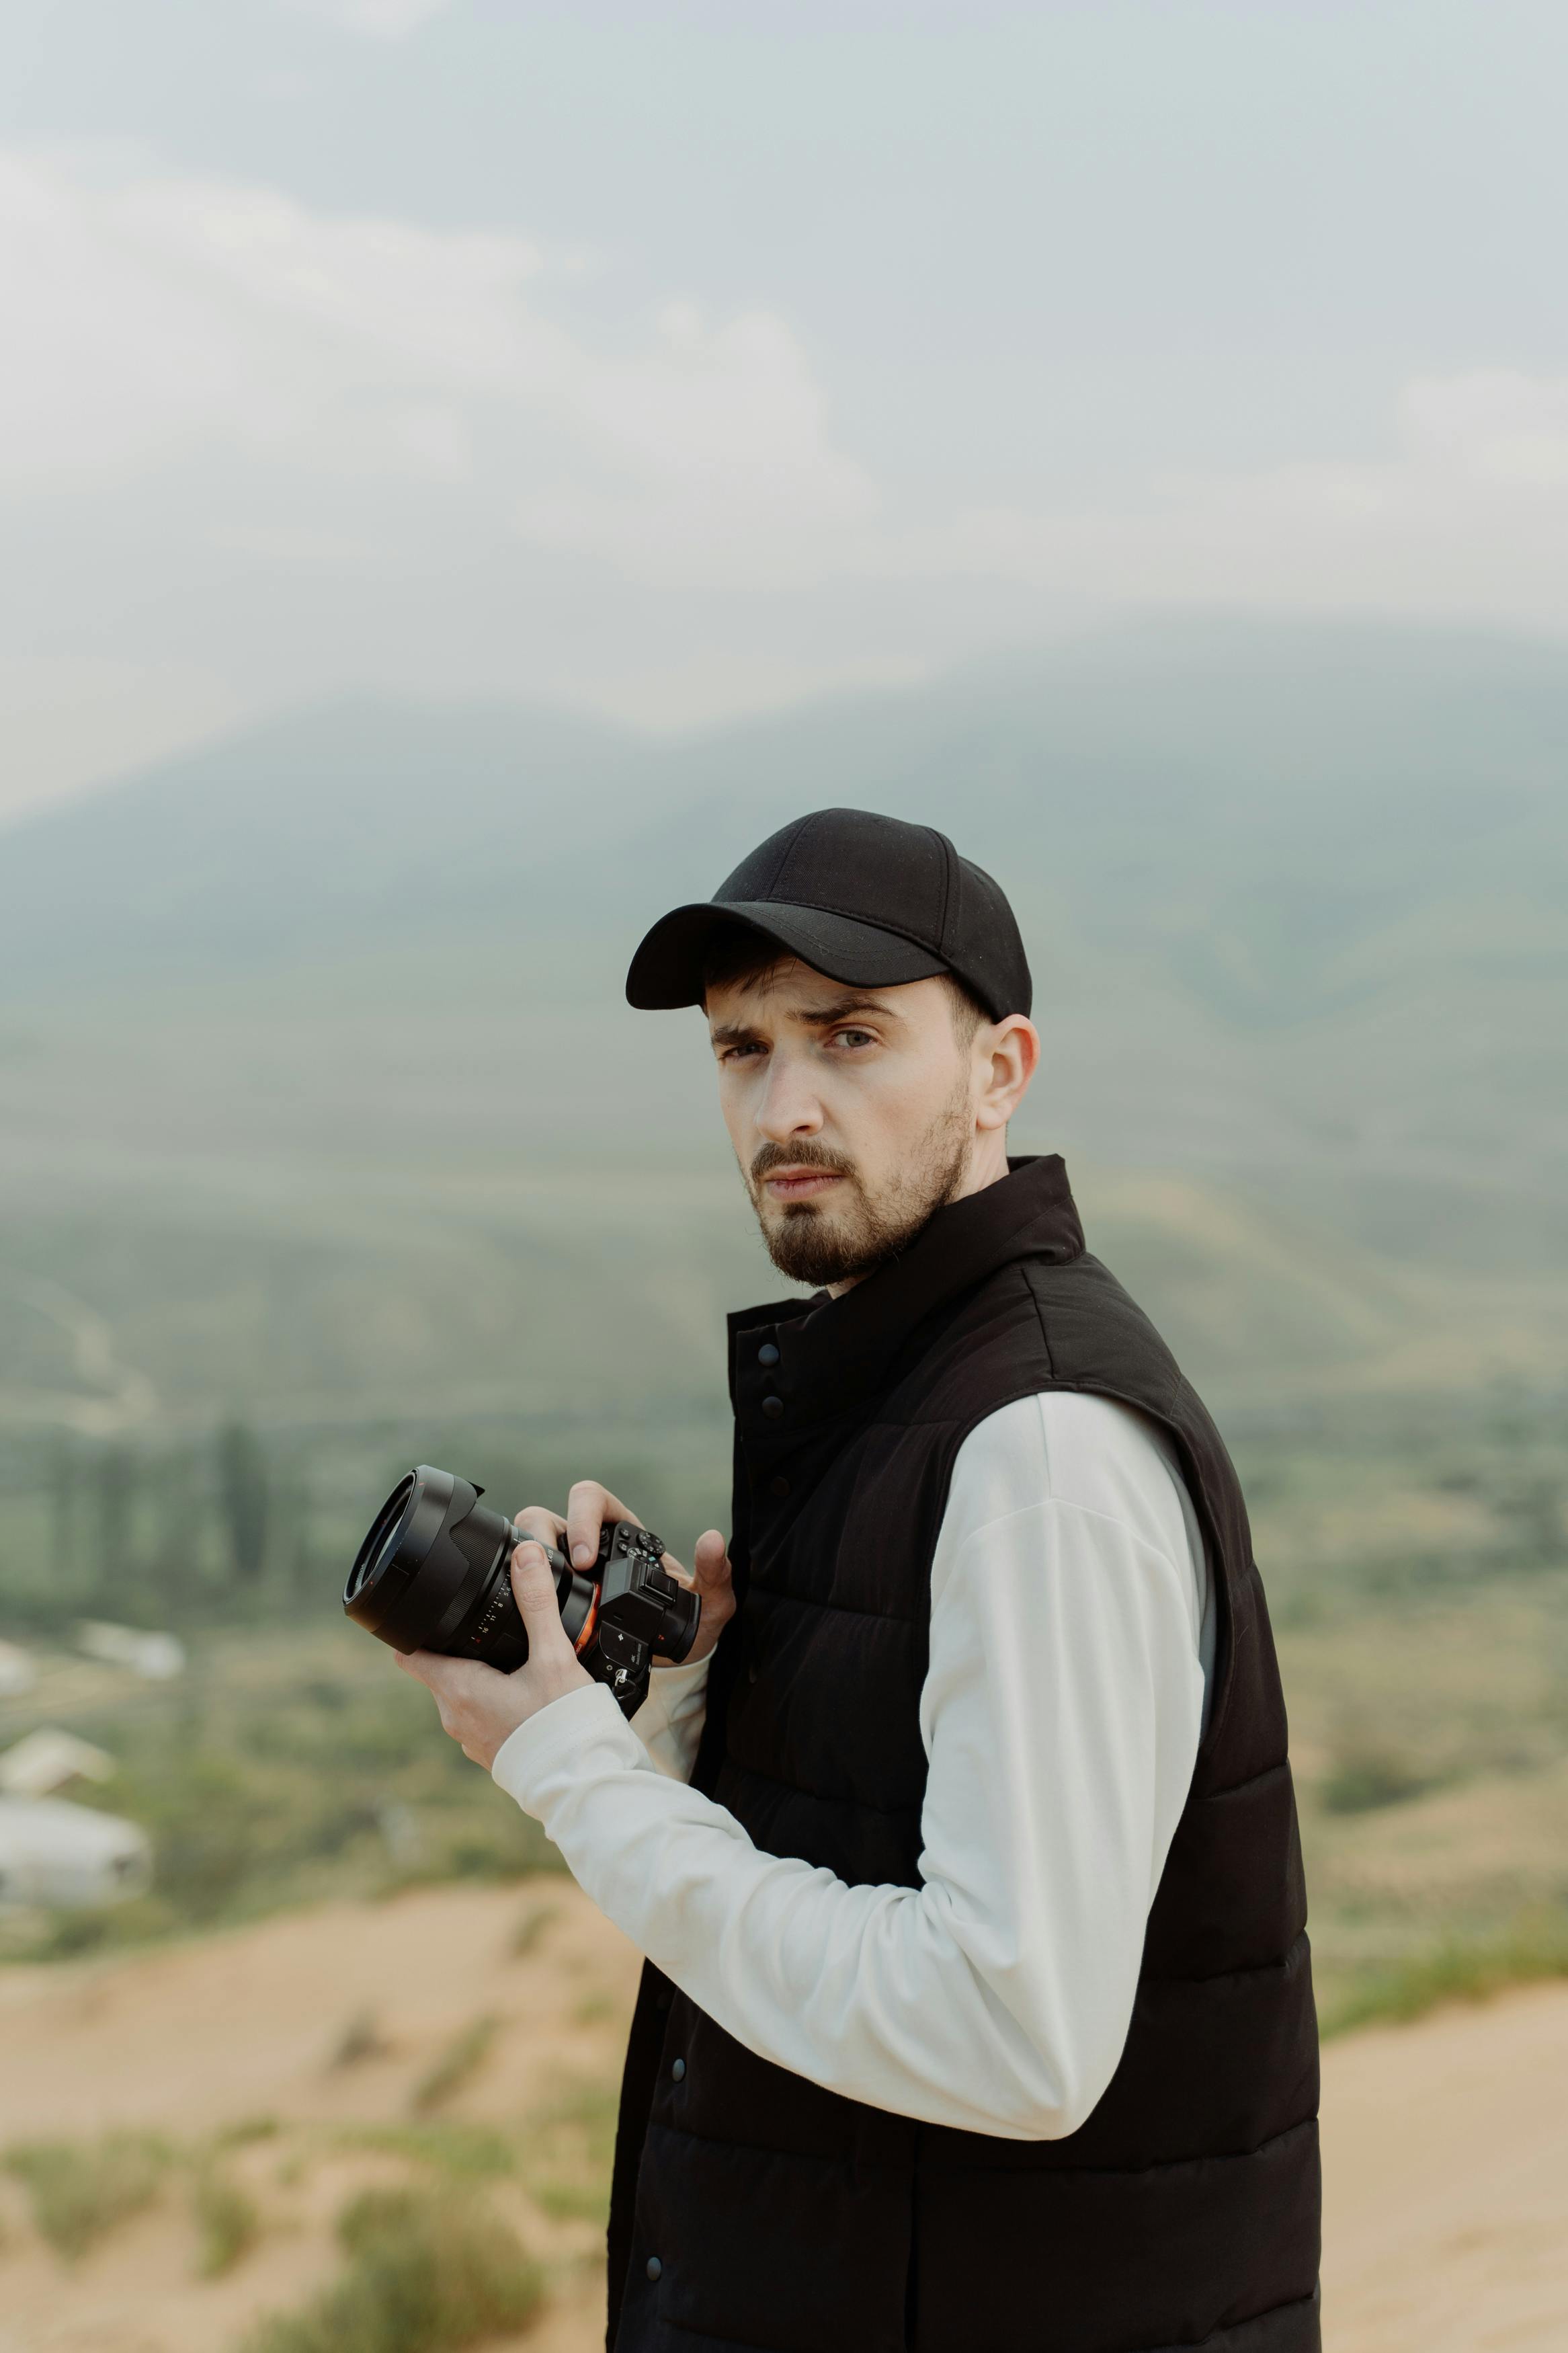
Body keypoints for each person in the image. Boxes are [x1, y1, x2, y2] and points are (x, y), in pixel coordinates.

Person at [399, 807, 1321, 2353]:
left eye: (852, 1037)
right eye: (743, 1049)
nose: (788, 1105)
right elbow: (885, 1846)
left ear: (999, 1071)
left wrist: (581, 1785)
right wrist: (691, 1706)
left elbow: (1013, 2031)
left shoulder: (1040, 1449)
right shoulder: (900, 1383)